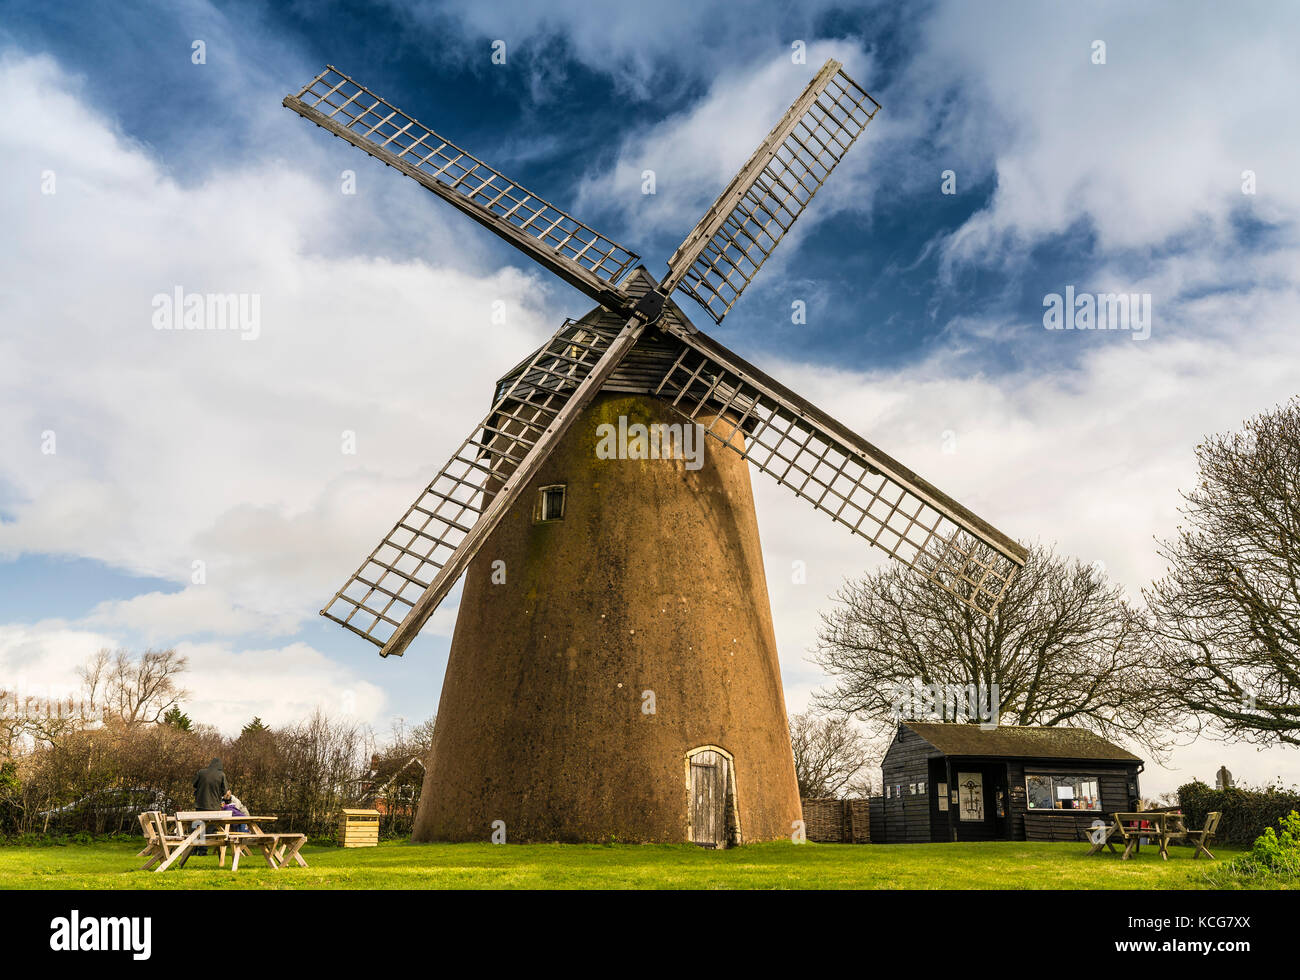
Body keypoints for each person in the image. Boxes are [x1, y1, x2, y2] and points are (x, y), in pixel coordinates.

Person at [192, 758, 228, 856]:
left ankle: (194, 849)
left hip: (200, 804)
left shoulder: (201, 772)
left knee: (198, 827)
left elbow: (194, 784)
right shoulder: (221, 775)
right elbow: (225, 791)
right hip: (214, 806)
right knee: (209, 829)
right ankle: (203, 851)